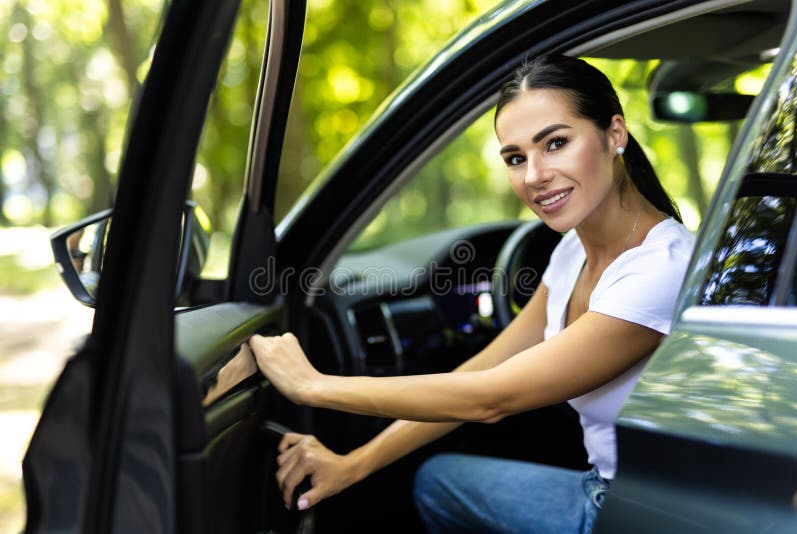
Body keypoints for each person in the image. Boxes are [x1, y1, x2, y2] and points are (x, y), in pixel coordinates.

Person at [245, 54, 696, 533]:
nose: (534, 176)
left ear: (615, 134)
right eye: (516, 158)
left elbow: (489, 399)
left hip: (654, 516)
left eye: (557, 143)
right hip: (607, 489)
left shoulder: (661, 271)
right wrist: (351, 464)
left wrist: (314, 385)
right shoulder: (571, 253)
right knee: (437, 482)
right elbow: (480, 371)